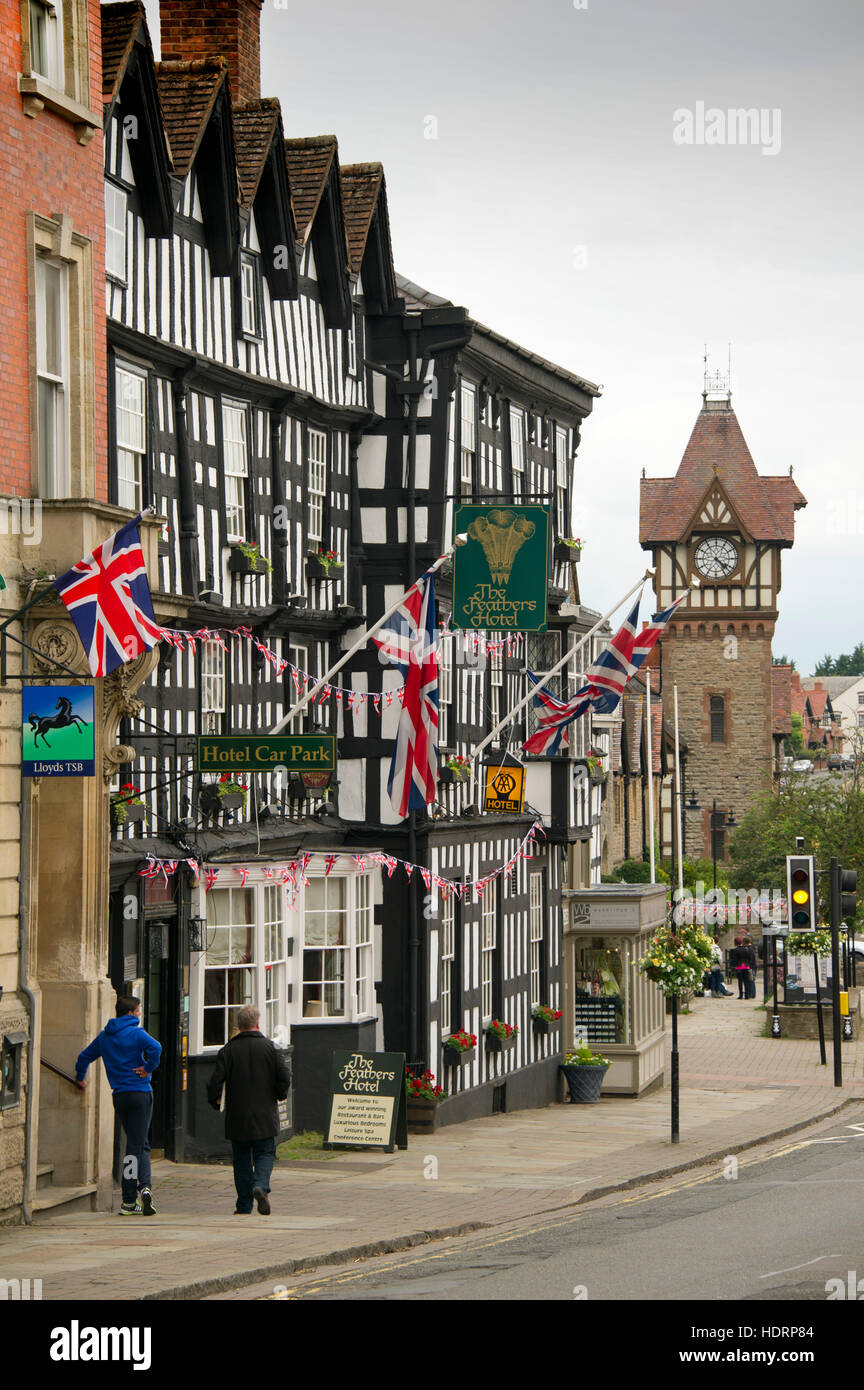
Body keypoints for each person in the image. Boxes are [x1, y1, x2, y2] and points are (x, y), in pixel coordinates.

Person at [75, 995, 162, 1216]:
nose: (140, 1014)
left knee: (135, 1143)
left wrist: (80, 1078)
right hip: (141, 1093)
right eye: (139, 1010)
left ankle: (133, 1198)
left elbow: (84, 1057)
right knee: (138, 1146)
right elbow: (156, 1048)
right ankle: (137, 1194)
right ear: (132, 1012)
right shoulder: (136, 1033)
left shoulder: (105, 1037)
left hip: (120, 1096)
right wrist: (149, 1067)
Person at [206, 1005, 291, 1216]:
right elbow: (284, 1076)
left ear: (238, 1026)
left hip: (238, 1114)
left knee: (241, 1158)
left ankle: (243, 1206)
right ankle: (261, 1185)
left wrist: (216, 1102)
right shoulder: (271, 1049)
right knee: (265, 1152)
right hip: (265, 1113)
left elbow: (215, 1082)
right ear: (258, 1023)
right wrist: (280, 1094)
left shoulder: (228, 1051)